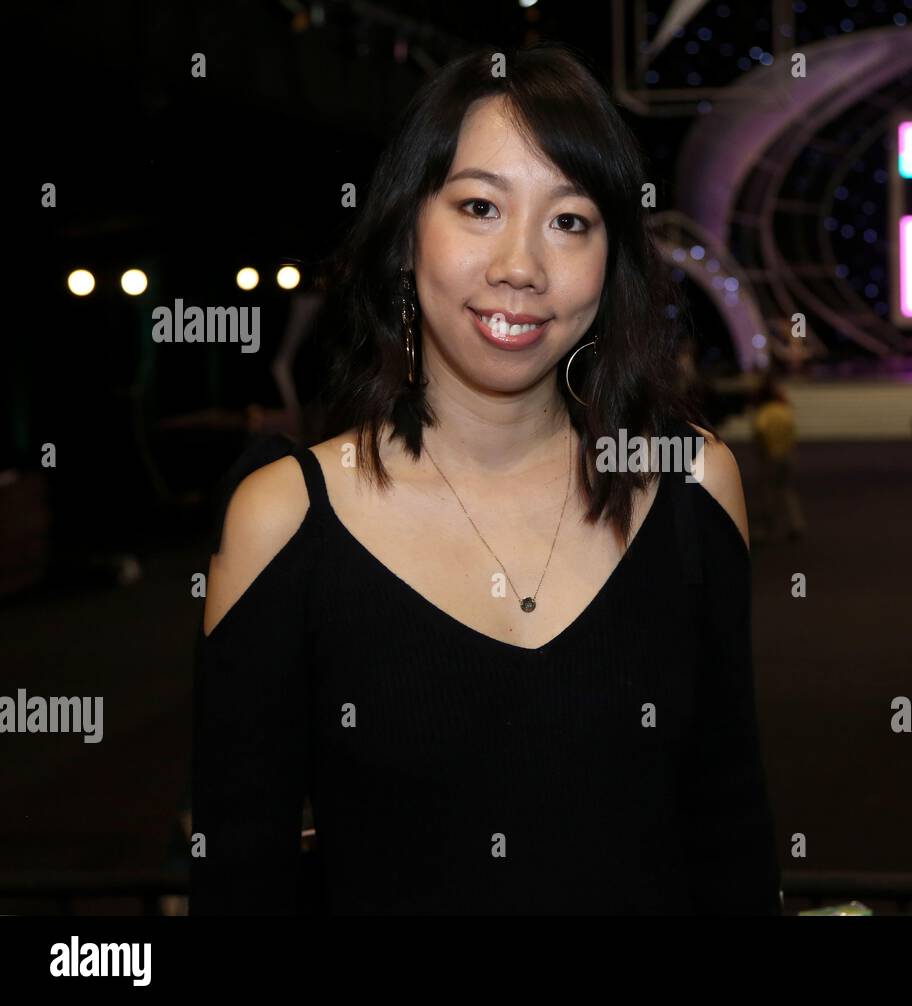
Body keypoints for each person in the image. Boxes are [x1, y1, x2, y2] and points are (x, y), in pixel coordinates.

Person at [190, 43, 782, 916]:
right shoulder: (282, 519)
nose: (521, 266)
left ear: (612, 259)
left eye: (569, 220)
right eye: (478, 206)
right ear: (405, 233)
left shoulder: (691, 485)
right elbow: (241, 881)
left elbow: (731, 836)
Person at [749, 370, 805, 544]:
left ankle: (768, 528)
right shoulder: (784, 412)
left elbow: (760, 435)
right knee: (787, 491)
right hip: (788, 455)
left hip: (771, 457)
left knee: (767, 493)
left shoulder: (763, 415)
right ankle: (796, 524)